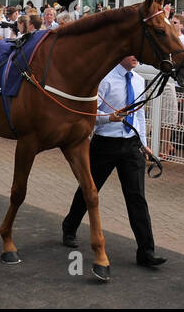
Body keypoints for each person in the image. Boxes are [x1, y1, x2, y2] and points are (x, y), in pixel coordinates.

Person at [60, 56, 166, 268]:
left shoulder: (137, 80)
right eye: (131, 54)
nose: (136, 58)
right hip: (105, 144)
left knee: (137, 198)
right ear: (121, 56)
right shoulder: (104, 80)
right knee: (89, 190)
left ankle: (146, 251)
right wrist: (109, 117)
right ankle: (69, 226)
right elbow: (89, 113)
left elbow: (140, 114)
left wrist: (144, 144)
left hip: (131, 145)